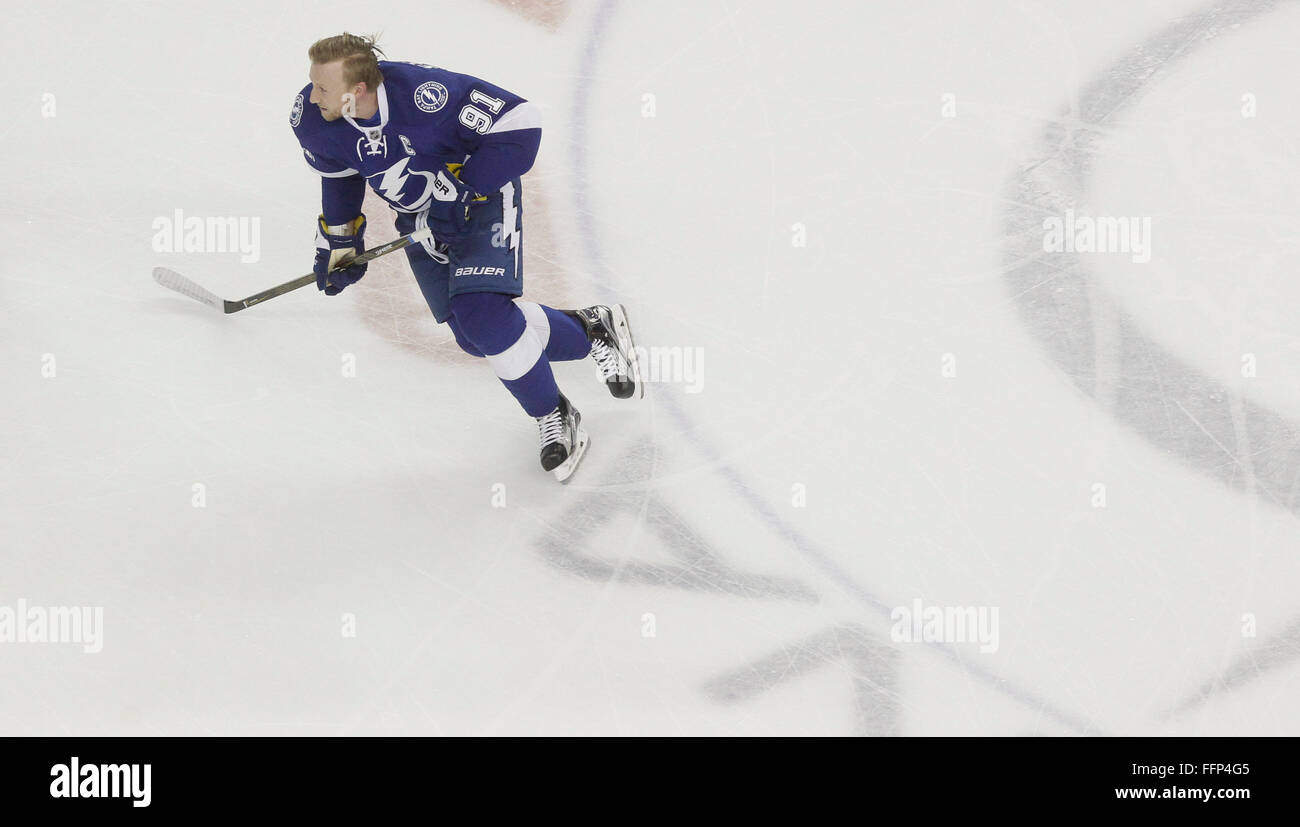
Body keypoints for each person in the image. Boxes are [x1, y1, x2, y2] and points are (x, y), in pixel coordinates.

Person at [290, 33, 641, 482]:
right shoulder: (317, 118)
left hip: (480, 197)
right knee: (473, 337)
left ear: (356, 89)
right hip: (420, 223)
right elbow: (339, 174)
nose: (311, 95)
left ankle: (553, 413)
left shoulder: (425, 96)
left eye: (322, 86)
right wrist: (341, 240)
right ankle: (591, 329)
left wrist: (464, 189)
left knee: (485, 318)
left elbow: (522, 122)